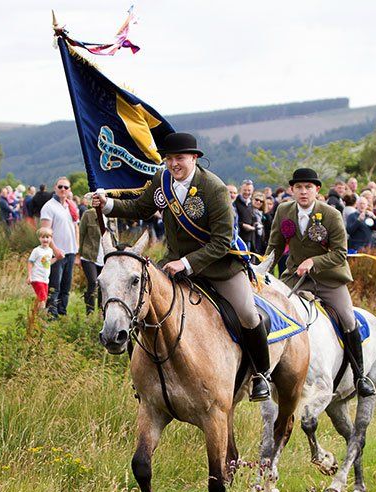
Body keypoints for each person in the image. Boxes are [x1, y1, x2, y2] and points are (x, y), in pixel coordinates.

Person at [93, 132, 273, 401]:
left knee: (247, 313)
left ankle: (260, 374)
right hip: (173, 262)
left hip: (218, 266)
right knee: (142, 307)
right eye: (169, 159)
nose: (173, 164)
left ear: (194, 158)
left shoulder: (214, 188)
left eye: (179, 158)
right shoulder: (162, 180)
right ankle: (144, 379)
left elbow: (222, 241)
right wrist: (108, 205)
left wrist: (187, 263)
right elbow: (140, 208)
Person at [265, 168, 376, 397]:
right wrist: (262, 269)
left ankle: (360, 376)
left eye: (308, 187)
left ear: (317, 189)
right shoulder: (283, 211)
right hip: (295, 277)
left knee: (348, 320)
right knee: (271, 313)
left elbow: (340, 253)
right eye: (298, 187)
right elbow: (275, 246)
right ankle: (263, 374)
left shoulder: (331, 214)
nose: (303, 191)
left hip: (329, 279)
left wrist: (313, 262)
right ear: (292, 190)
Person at [40, 177, 79, 318]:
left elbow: (76, 227)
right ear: (55, 188)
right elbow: (45, 232)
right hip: (55, 253)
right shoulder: (49, 207)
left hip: (70, 251)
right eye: (60, 187)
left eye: (66, 187)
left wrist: (77, 247)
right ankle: (52, 314)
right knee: (54, 286)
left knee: (66, 286)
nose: (63, 189)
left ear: (69, 190)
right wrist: (55, 250)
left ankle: (62, 312)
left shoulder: (71, 206)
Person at [78, 198, 105, 314]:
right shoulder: (88, 214)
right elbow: (81, 234)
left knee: (103, 285)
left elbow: (116, 236)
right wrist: (78, 254)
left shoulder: (112, 216)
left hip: (105, 257)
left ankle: (101, 312)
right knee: (93, 282)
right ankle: (90, 311)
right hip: (89, 255)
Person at [28, 227, 57, 318]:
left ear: (51, 239)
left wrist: (57, 258)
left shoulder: (50, 251)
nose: (45, 239)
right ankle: (42, 318)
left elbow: (47, 263)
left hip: (45, 279)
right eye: (43, 237)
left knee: (42, 299)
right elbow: (30, 262)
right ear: (39, 238)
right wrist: (29, 276)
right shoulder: (36, 250)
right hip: (37, 278)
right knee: (43, 299)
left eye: (47, 237)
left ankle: (33, 317)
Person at [234, 180, 257, 250]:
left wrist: (255, 223)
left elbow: (252, 217)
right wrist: (242, 225)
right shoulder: (235, 202)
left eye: (249, 190)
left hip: (249, 237)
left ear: (252, 191)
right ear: (241, 189)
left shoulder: (251, 203)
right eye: (245, 190)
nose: (247, 192)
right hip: (238, 237)